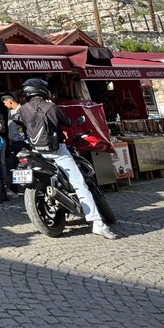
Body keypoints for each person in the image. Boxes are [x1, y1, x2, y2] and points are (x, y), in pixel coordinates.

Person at [18, 78, 117, 240]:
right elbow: (67, 122)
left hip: (37, 151)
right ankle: (97, 223)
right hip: (57, 151)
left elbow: (21, 124)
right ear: (42, 90)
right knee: (80, 184)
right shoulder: (51, 107)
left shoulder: (23, 110)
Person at [2, 92, 26, 190]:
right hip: (13, 142)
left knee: (24, 166)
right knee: (13, 165)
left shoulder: (22, 111)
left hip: (22, 143)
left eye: (5, 103)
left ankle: (25, 188)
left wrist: (25, 141)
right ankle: (14, 189)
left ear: (10, 101)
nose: (5, 105)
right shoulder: (10, 112)